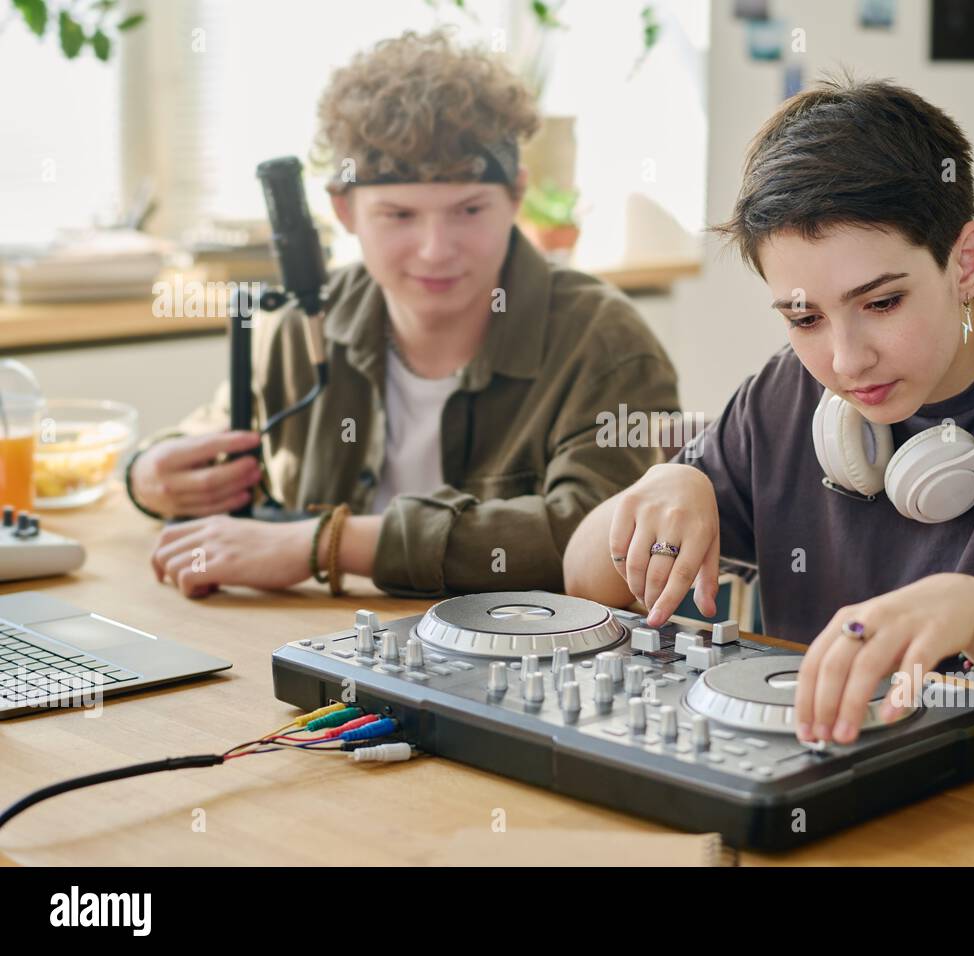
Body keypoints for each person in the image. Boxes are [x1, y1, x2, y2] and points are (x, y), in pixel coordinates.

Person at [564, 76, 974, 744]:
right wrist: (666, 482)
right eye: (804, 318)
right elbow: (584, 582)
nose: (846, 360)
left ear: (966, 262)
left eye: (882, 303)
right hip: (822, 773)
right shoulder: (786, 391)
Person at [127, 29, 679, 599]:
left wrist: (327, 544)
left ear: (516, 195)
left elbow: (602, 540)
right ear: (344, 210)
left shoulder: (604, 343)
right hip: (312, 639)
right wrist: (146, 478)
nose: (436, 250)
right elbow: (209, 439)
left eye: (469, 210)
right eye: (398, 215)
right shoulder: (301, 325)